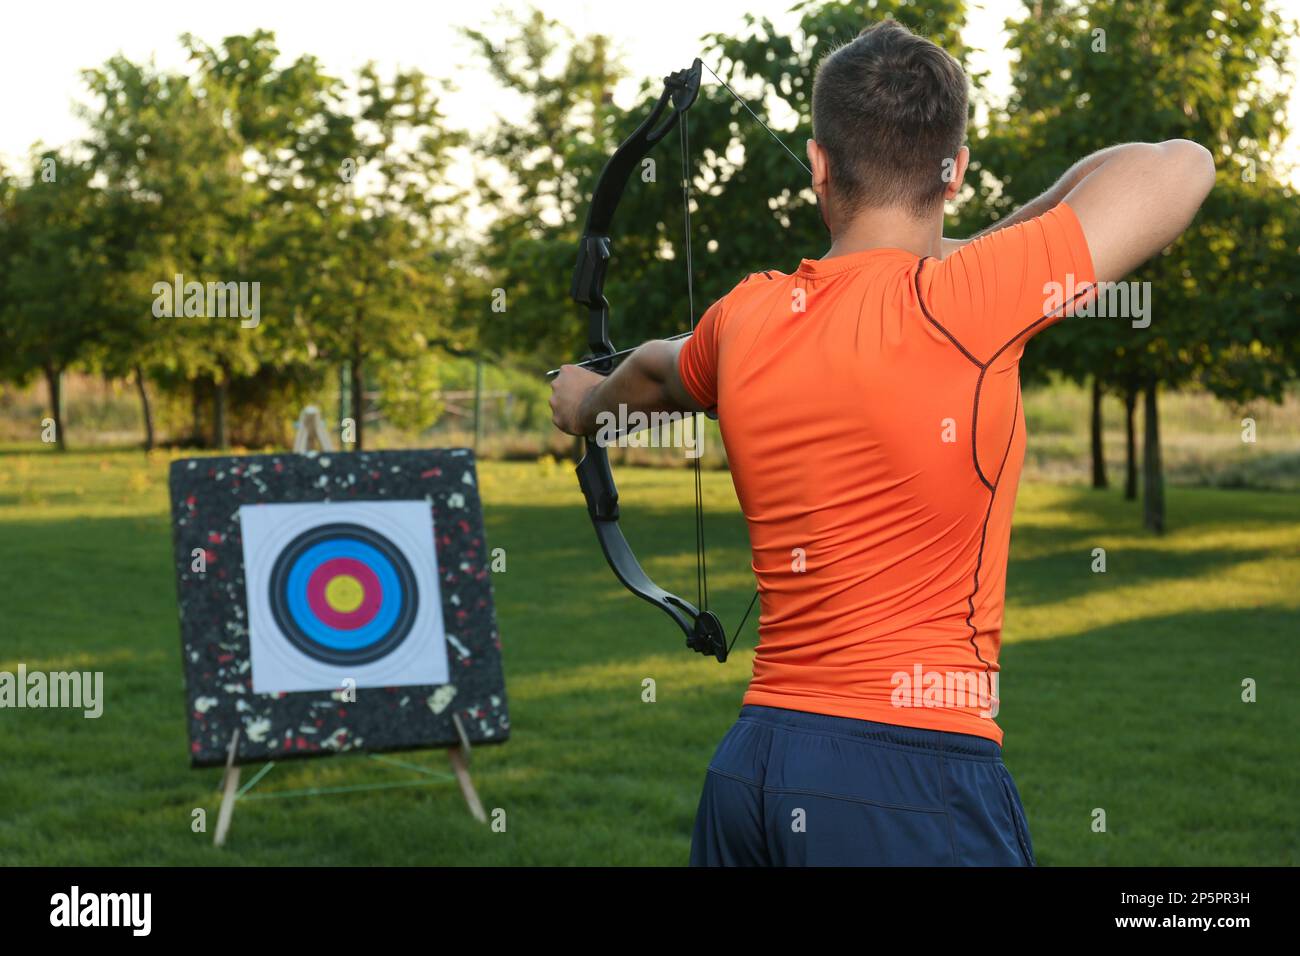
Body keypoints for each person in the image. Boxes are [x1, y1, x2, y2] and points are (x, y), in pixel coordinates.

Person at [549, 18, 1214, 866]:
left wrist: (586, 405)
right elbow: (1180, 164)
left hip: (753, 772)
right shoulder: (977, 297)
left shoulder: (748, 315)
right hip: (910, 777)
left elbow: (652, 371)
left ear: (818, 166)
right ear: (954, 172)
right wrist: (990, 249)